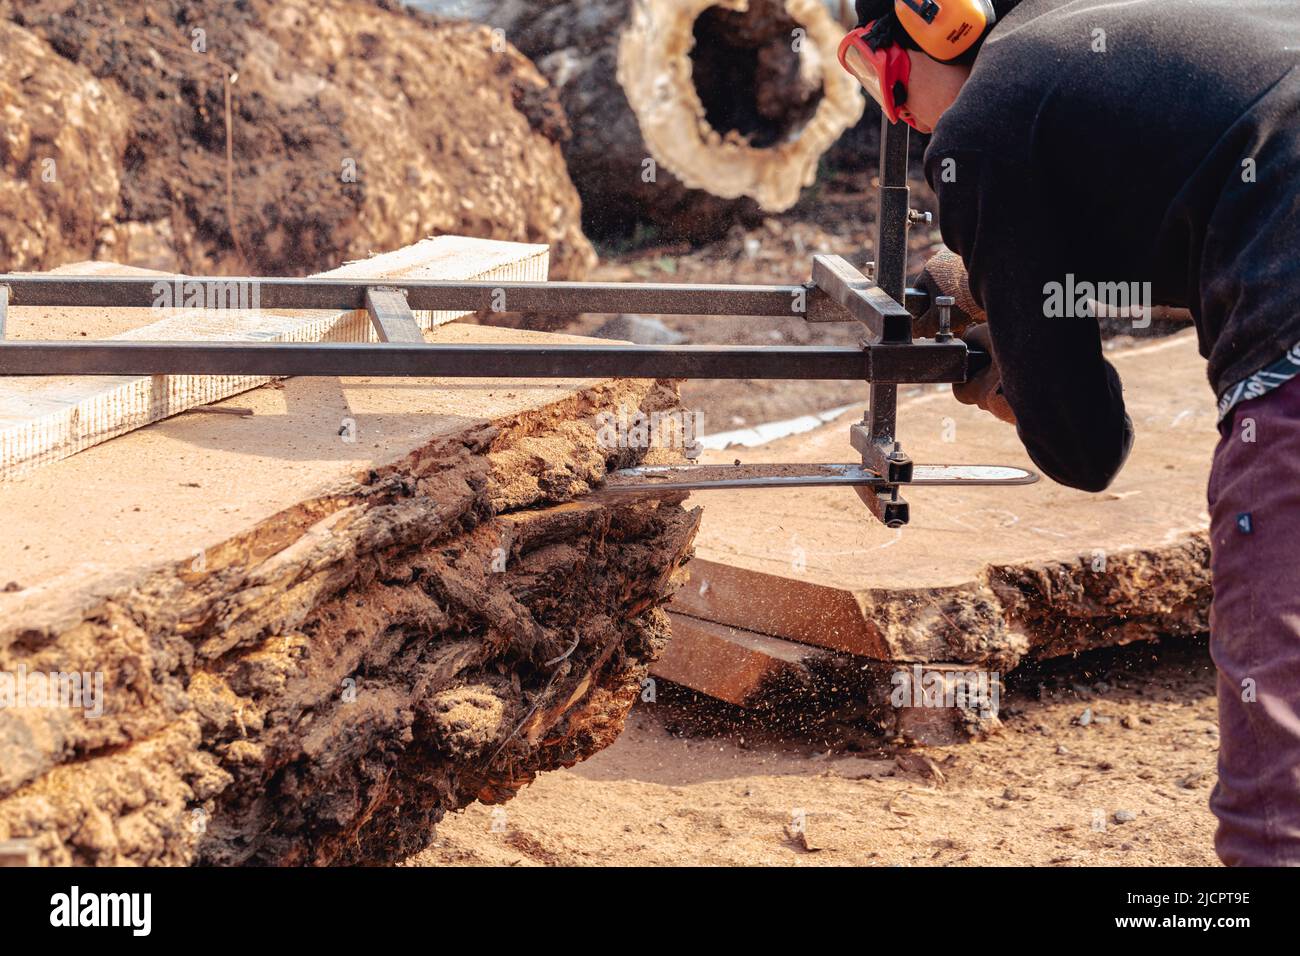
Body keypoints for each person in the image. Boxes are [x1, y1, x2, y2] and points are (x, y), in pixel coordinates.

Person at [839, 0, 1300, 865]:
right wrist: (1005, 280)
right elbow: (1174, 206)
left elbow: (1088, 449)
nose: (900, 114)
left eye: (880, 76)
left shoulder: (986, 123)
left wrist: (998, 373)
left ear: (934, 26)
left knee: (1275, 780)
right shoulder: (1095, 38)